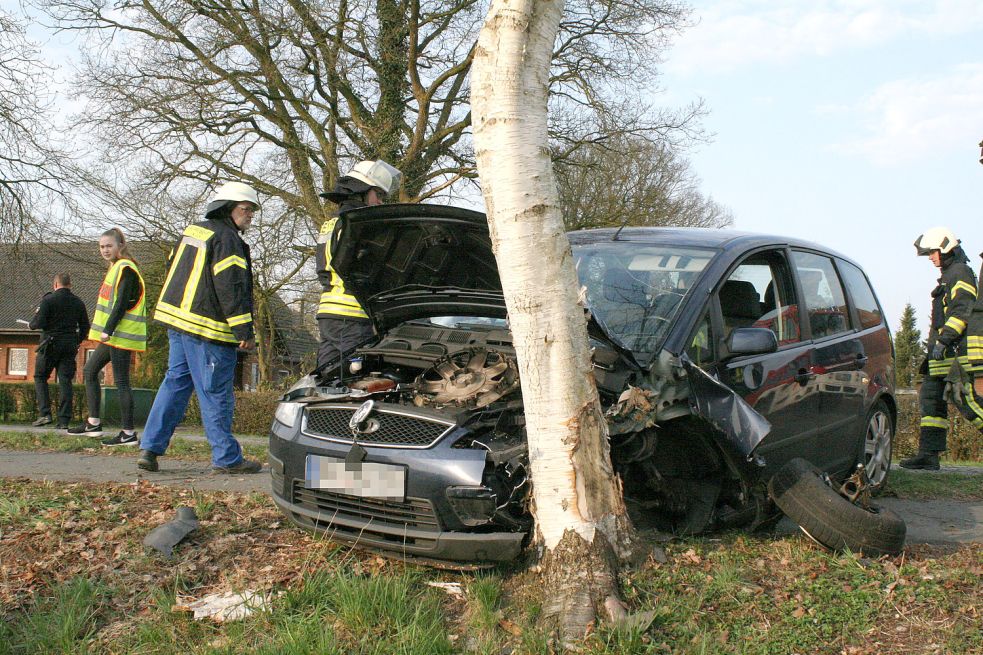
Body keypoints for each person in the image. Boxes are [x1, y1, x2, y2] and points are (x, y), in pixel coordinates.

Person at [137, 181, 262, 474]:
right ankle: (227, 459)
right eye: (246, 209)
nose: (251, 216)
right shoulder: (228, 239)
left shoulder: (193, 231)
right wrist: (244, 331)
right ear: (228, 208)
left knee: (174, 385)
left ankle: (150, 448)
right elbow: (231, 287)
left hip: (177, 323)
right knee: (216, 392)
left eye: (253, 211)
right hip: (208, 330)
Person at [901, 227, 982, 470]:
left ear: (946, 249)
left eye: (933, 252)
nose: (931, 257)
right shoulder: (950, 274)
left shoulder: (960, 273)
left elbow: (962, 310)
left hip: (954, 352)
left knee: (967, 401)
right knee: (931, 401)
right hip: (941, 355)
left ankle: (929, 455)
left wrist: (945, 340)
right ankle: (929, 455)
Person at [315, 159, 401, 373]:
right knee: (358, 378)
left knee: (327, 376)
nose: (380, 202)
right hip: (352, 315)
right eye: (378, 195)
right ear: (361, 192)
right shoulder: (358, 226)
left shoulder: (332, 223)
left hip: (328, 313)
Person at [67, 228, 148, 445]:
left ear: (121, 245)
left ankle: (128, 433)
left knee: (122, 381)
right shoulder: (115, 268)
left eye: (109, 246)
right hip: (113, 335)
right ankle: (93, 423)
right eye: (102, 246)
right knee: (90, 370)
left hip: (120, 335)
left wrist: (108, 329)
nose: (105, 250)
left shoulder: (126, 269)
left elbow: (122, 303)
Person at [30, 273, 90, 429]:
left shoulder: (48, 300)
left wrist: (33, 322)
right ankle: (64, 420)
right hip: (69, 345)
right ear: (70, 285)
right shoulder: (78, 302)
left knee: (40, 376)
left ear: (55, 285)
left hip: (50, 344)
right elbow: (85, 327)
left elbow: (38, 323)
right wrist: (77, 340)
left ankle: (45, 414)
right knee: (65, 380)